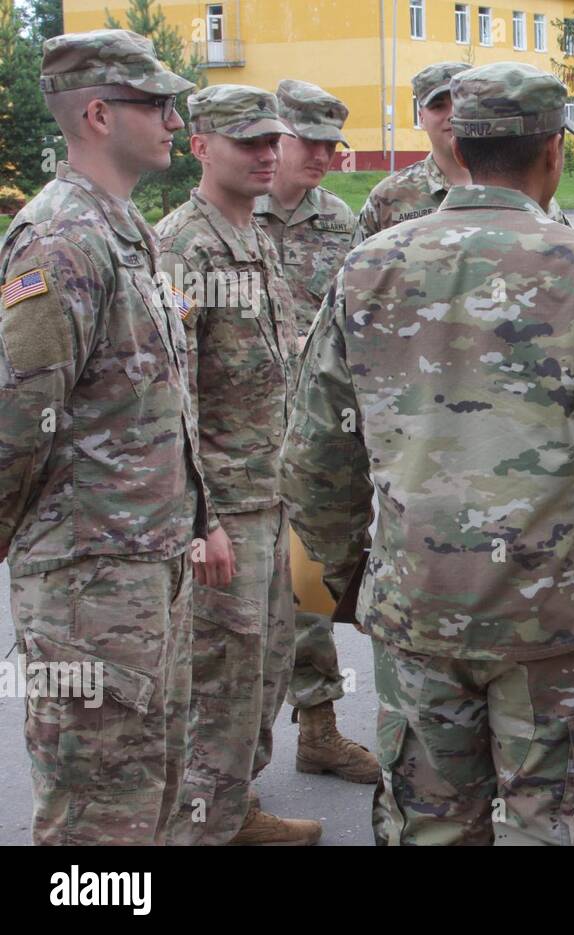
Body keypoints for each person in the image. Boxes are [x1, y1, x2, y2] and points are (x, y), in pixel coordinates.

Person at [281, 61, 574, 846]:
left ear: (461, 149)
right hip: (559, 623)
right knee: (560, 828)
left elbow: (314, 458)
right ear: (553, 153)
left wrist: (353, 579)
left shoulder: (366, 268)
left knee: (430, 829)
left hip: (420, 610)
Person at [0, 28, 210, 847]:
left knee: (145, 797)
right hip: (87, 588)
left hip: (148, 569)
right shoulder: (61, 240)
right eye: (154, 103)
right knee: (96, 819)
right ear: (96, 114)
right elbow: (19, 418)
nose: (171, 117)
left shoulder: (127, 230)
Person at [157, 84, 319, 845]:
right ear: (199, 146)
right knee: (219, 684)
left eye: (270, 141)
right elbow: (171, 401)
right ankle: (200, 829)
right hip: (224, 513)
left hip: (273, 498)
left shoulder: (255, 239)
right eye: (247, 141)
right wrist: (202, 522)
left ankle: (236, 807)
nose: (266, 154)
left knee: (266, 669)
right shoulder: (183, 248)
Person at [253, 78, 380, 785]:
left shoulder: (341, 222)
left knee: (312, 591)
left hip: (322, 443)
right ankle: (226, 772)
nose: (326, 157)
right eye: (312, 142)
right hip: (239, 443)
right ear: (278, 137)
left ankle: (320, 729)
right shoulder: (231, 217)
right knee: (239, 613)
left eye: (335, 144)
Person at [354, 62, 567, 242]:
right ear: (421, 116)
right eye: (438, 106)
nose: (452, 115)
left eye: (459, 105)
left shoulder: (524, 186)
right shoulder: (389, 197)